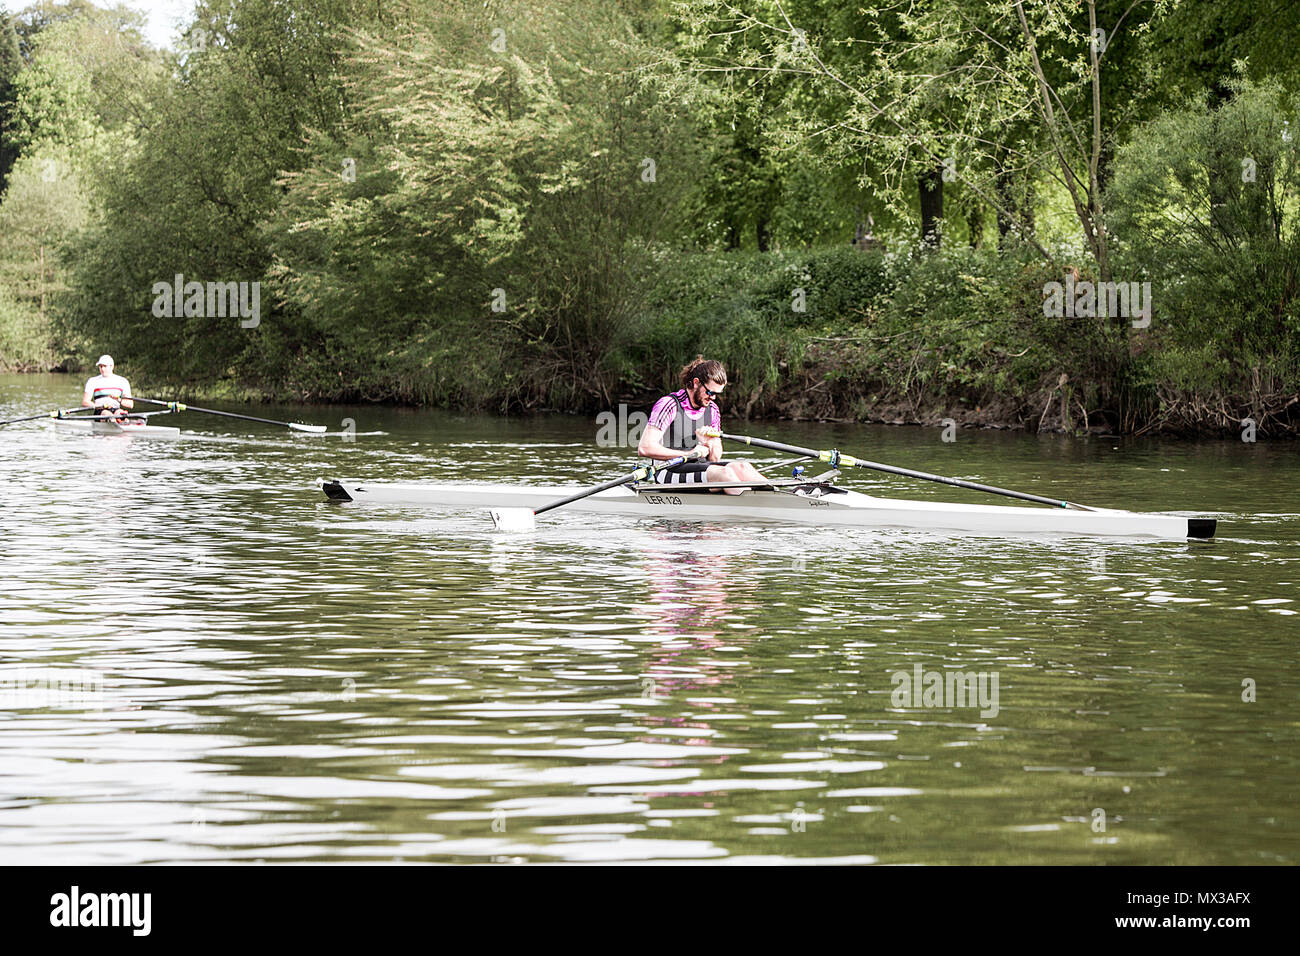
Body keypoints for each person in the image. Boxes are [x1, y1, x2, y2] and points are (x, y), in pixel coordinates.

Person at [637, 357, 766, 495]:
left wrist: (711, 442)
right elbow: (645, 448)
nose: (713, 398)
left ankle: (780, 497)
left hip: (700, 467)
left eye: (717, 394)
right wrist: (689, 454)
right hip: (667, 472)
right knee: (724, 473)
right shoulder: (669, 405)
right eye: (710, 392)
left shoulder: (713, 410)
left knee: (742, 466)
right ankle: (753, 509)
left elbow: (715, 459)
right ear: (696, 383)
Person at [81, 355, 134, 422]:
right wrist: (101, 406)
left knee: (121, 414)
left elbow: (130, 404)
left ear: (112, 366)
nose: (102, 369)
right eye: (100, 366)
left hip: (116, 410)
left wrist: (119, 399)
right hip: (100, 411)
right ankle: (112, 422)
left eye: (105, 366)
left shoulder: (122, 381)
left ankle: (124, 423)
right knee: (109, 416)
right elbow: (85, 402)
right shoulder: (92, 381)